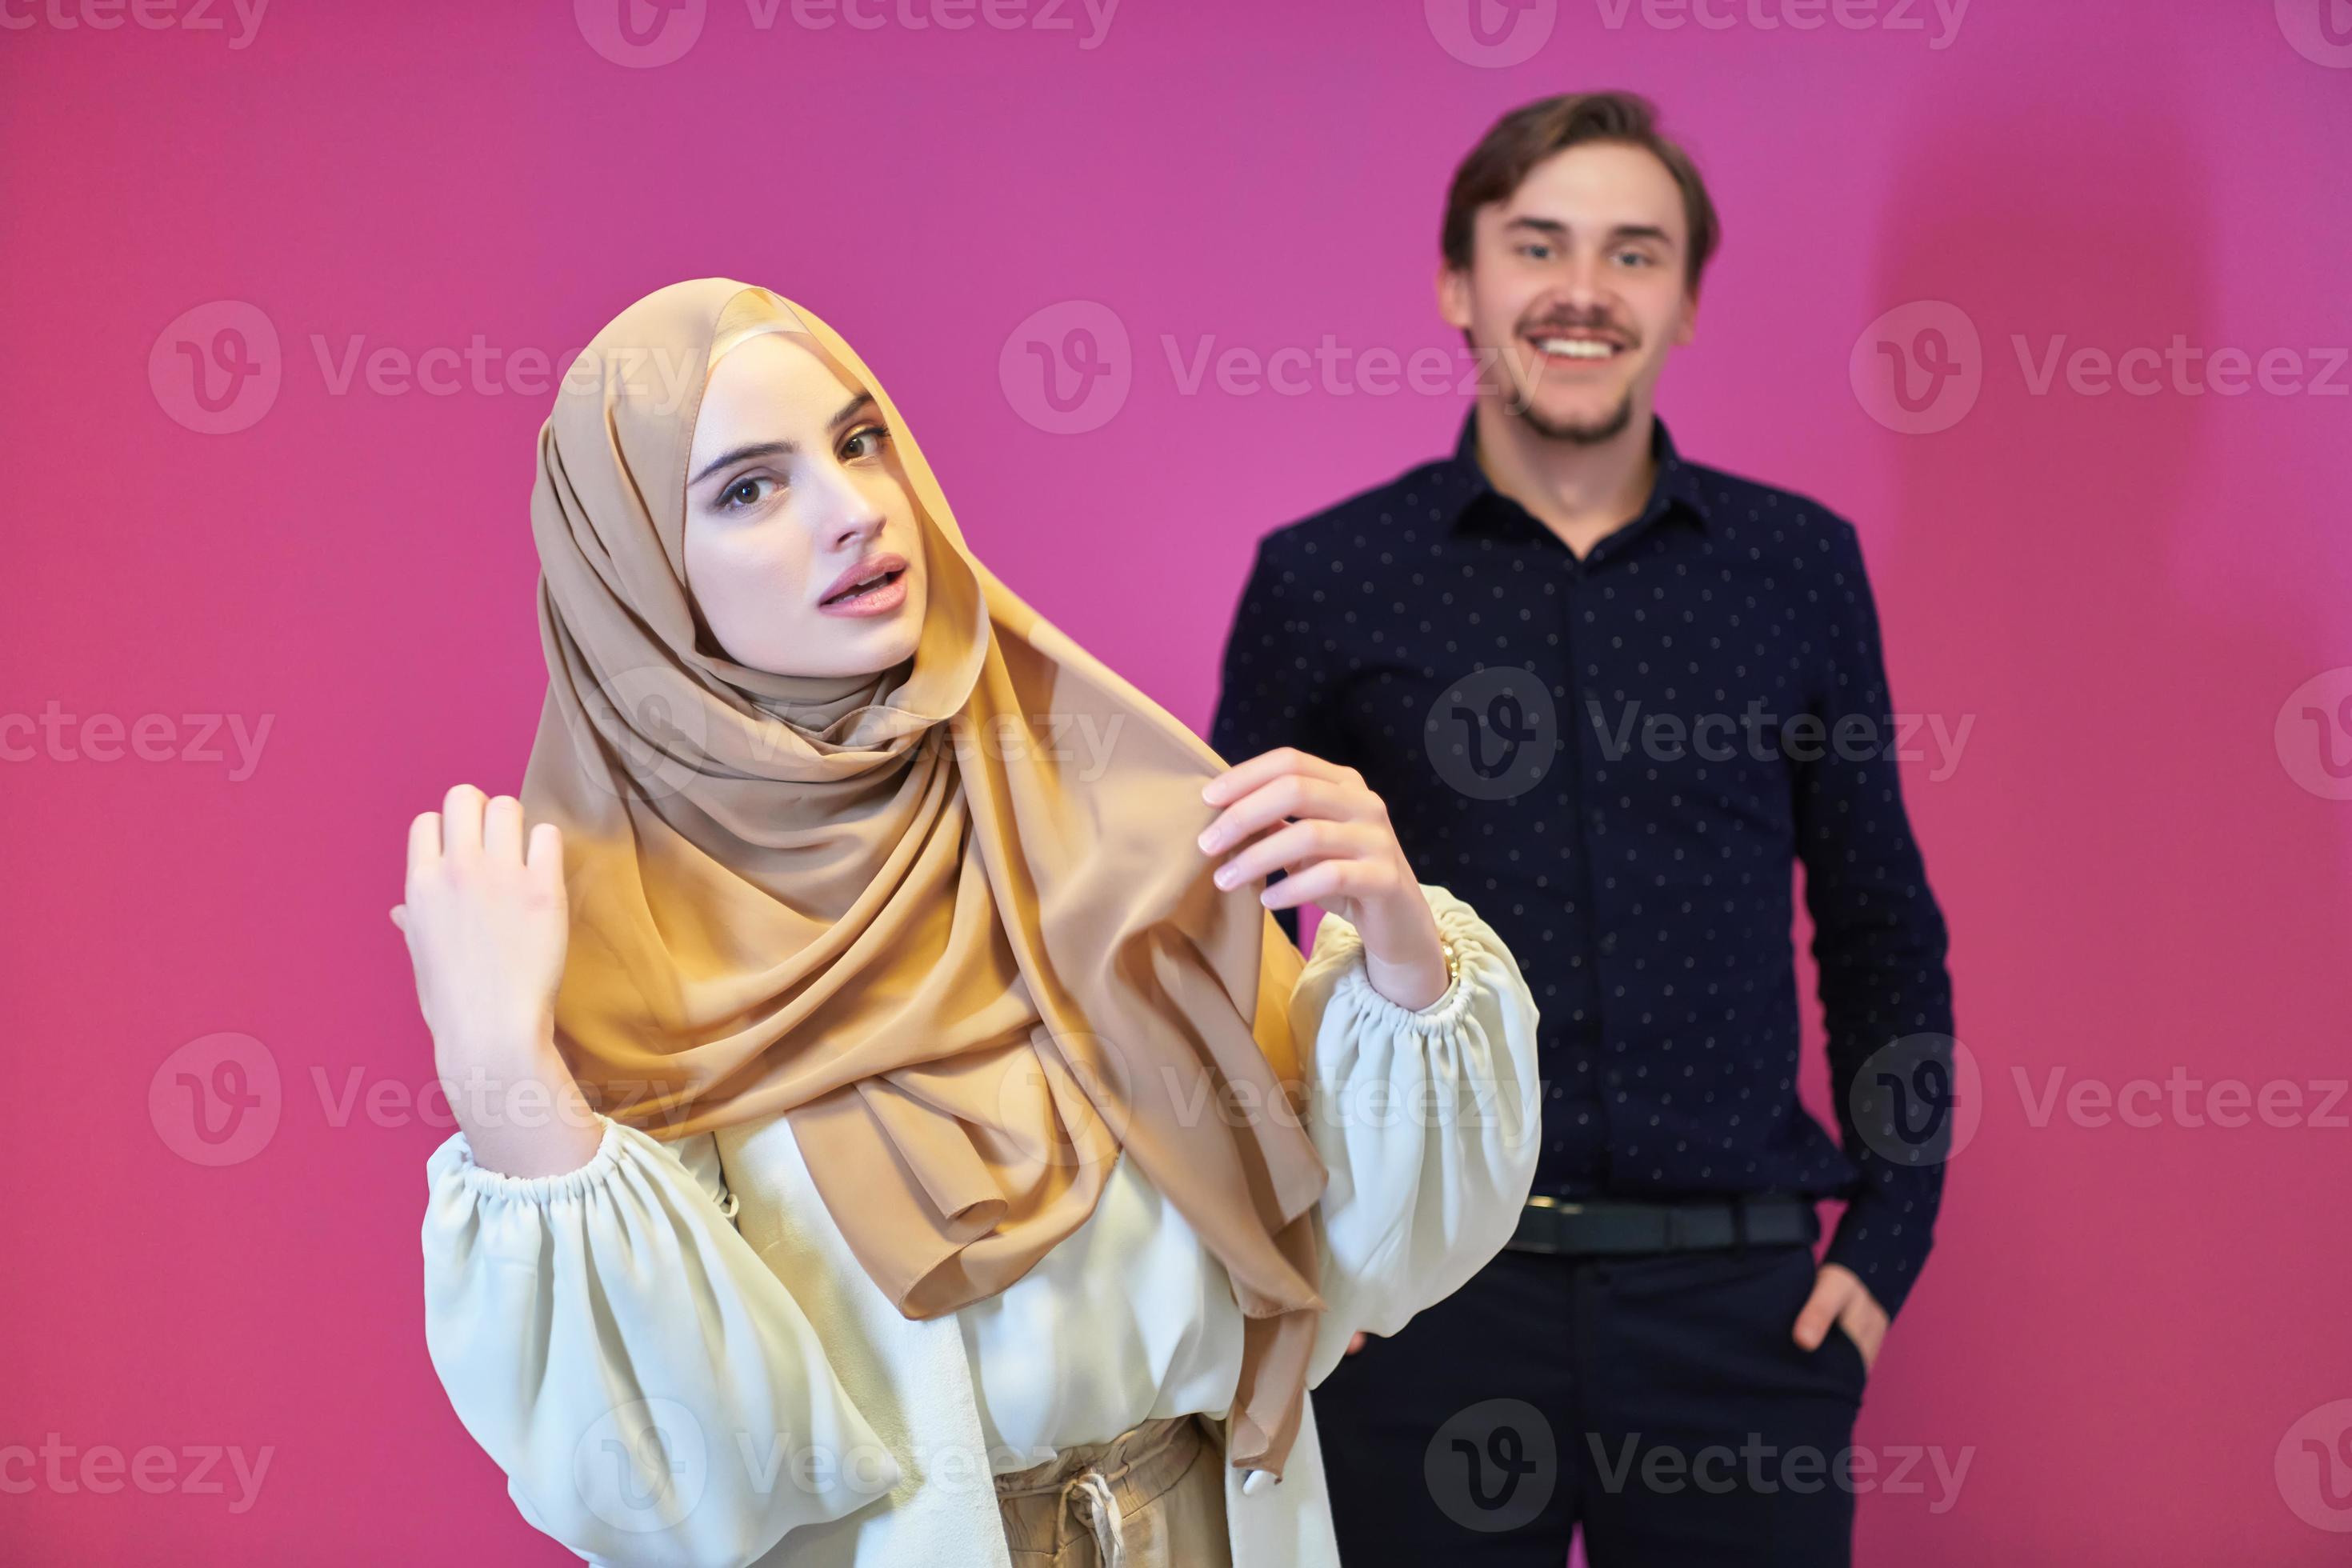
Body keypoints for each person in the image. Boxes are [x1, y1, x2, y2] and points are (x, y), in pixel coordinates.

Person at [391, 277, 1546, 1567]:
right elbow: (674, 1490)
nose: (852, 511)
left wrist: (1399, 945)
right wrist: (506, 1084)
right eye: (746, 489)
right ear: (639, 576)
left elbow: (1367, 1262)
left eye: (858, 439)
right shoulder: (613, 947)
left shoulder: (1103, 811)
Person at [1209, 92, 1956, 1566]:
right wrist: (1284, 1266)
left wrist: (1883, 1250)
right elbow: (1211, 945)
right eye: (1536, 244)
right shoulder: (1325, 580)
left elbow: (1881, 923)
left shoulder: (1797, 570)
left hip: (1733, 1321)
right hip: (1420, 1310)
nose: (1581, 291)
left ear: (1684, 301)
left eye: (1634, 254)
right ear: (1458, 282)